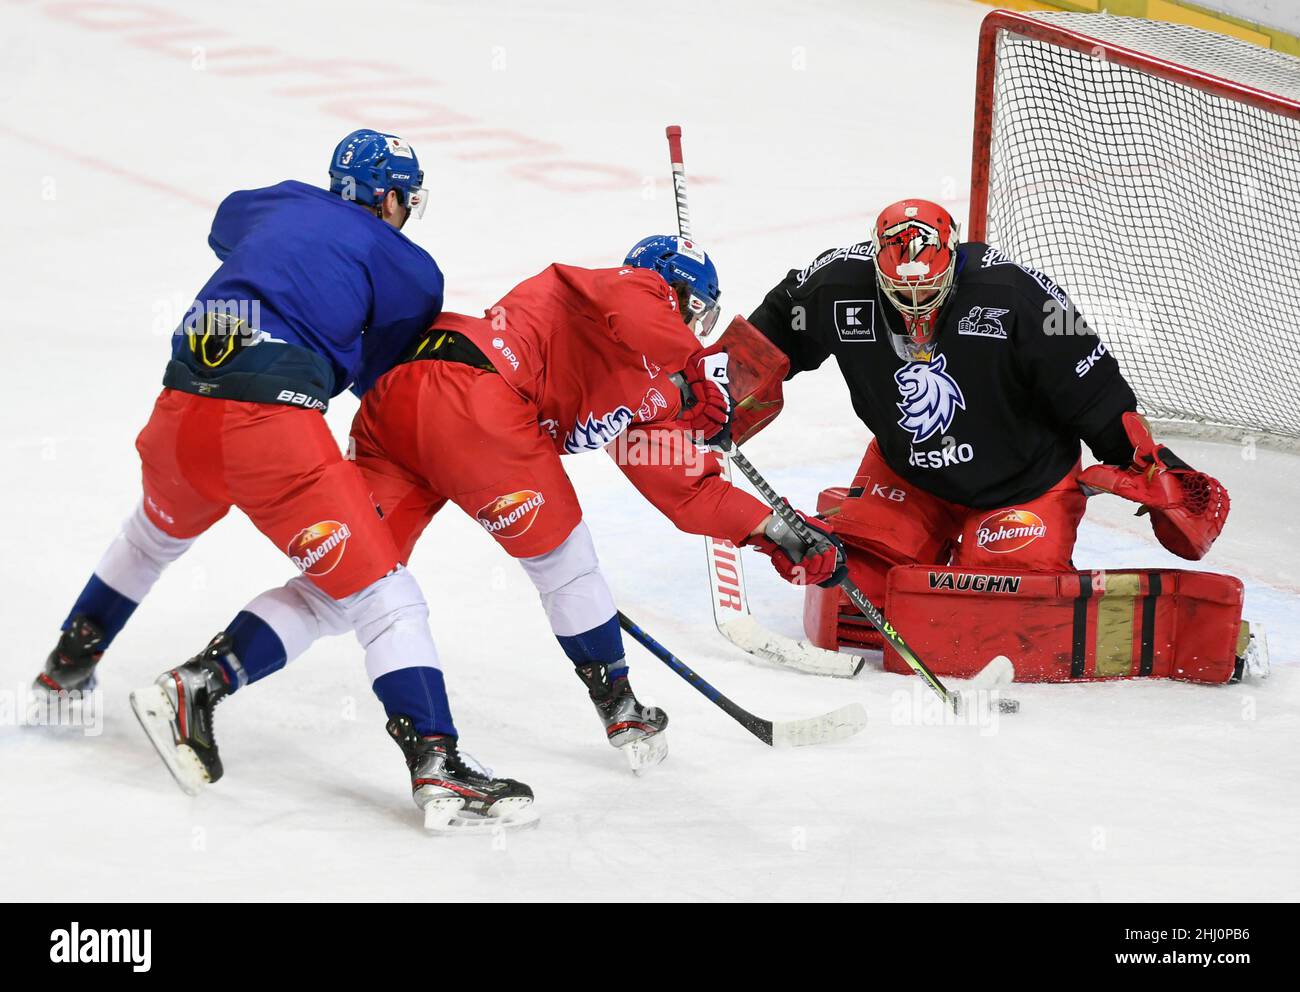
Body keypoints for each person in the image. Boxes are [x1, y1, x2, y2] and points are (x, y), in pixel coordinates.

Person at [36, 130, 533, 828]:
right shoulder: (411, 268)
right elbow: (381, 378)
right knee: (386, 599)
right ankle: (438, 763)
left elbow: (227, 230)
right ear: (392, 199)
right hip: (270, 428)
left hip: (179, 415)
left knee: (150, 538)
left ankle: (67, 663)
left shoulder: (272, 202)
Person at [340, 235, 845, 769]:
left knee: (352, 578)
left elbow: (686, 490)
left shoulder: (655, 391)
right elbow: (634, 308)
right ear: (674, 293)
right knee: (567, 564)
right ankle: (617, 703)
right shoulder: (613, 292)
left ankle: (238, 661)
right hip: (471, 389)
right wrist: (694, 368)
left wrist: (770, 528)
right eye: (694, 312)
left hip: (416, 413)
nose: (697, 330)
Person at [743, 198, 1230, 671]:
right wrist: (716, 387)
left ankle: (967, 546)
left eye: (929, 289)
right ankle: (870, 515)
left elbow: (1096, 397)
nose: (915, 306)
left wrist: (1156, 468)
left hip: (1024, 484)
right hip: (909, 472)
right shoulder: (838, 283)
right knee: (852, 591)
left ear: (953, 261)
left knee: (1000, 619)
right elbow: (771, 331)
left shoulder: (1018, 298)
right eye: (901, 291)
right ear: (876, 269)